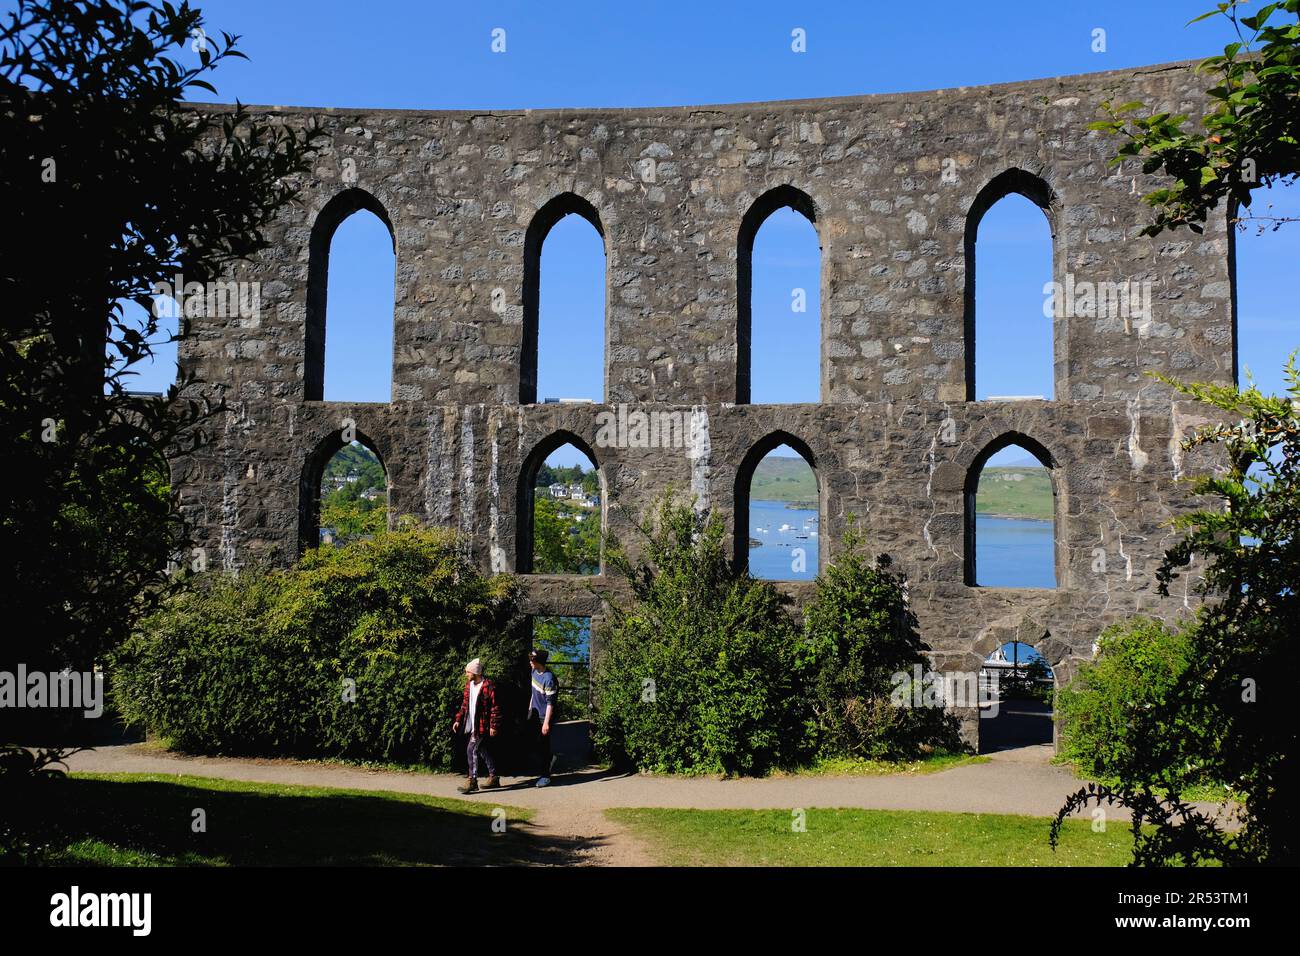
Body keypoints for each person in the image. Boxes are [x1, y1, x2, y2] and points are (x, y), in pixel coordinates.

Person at [451, 658, 499, 793]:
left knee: (471, 749)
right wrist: (458, 720)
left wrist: (494, 726)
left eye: (468, 672)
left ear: (475, 672)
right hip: (471, 724)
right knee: (482, 749)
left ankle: (472, 780)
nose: (466, 674)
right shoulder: (469, 685)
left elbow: (495, 707)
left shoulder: (488, 686)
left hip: (482, 725)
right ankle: (494, 777)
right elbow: (464, 704)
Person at [526, 648, 558, 787]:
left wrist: (546, 723)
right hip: (535, 713)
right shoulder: (534, 672)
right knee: (536, 744)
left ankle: (545, 776)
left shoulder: (549, 679)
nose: (530, 662)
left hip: (545, 716)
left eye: (532, 660)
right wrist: (529, 708)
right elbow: (534, 692)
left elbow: (550, 704)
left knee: (544, 746)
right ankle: (550, 758)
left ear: (539, 662)